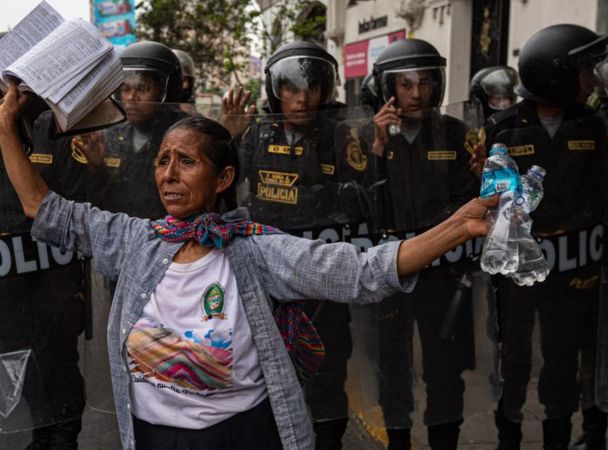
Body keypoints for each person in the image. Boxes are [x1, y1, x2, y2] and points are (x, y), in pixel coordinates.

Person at [0, 75, 495, 450]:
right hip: (151, 436)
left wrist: (459, 225)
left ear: (222, 177)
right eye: (163, 160)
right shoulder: (136, 241)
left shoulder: (255, 249)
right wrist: (4, 127)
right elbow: (44, 208)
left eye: (187, 162)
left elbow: (363, 273)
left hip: (243, 434)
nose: (169, 174)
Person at [0, 31, 90, 449]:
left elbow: (81, 204)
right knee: (16, 357)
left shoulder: (60, 126)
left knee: (59, 363)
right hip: (4, 273)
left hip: (53, 276)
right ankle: (41, 434)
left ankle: (63, 439)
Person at [479, 24, 608, 450]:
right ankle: (508, 438)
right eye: (583, 70)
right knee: (512, 359)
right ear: (555, 75)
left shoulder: (592, 124)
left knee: (563, 358)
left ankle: (559, 435)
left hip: (576, 270)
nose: (590, 79)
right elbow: (486, 202)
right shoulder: (503, 128)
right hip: (519, 273)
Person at [234, 40, 367, 449]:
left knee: (328, 377)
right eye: (291, 88)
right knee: (265, 374)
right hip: (267, 279)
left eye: (311, 88)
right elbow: (228, 191)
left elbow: (359, 201)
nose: (302, 98)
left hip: (321, 279)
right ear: (276, 90)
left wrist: (308, 193)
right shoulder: (256, 135)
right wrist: (230, 137)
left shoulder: (342, 135)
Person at [368, 38, 481, 449]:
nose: (416, 94)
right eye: (406, 84)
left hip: (444, 272)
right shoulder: (372, 136)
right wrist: (378, 149)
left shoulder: (455, 133)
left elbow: (468, 200)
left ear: (437, 85)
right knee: (391, 366)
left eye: (425, 83)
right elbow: (365, 205)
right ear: (389, 89)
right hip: (390, 273)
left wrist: (482, 174)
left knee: (444, 370)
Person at [80, 40, 187, 218]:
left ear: (164, 90)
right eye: (125, 89)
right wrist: (97, 167)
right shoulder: (112, 133)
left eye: (142, 88)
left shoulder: (184, 134)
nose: (131, 97)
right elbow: (100, 199)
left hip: (167, 235)